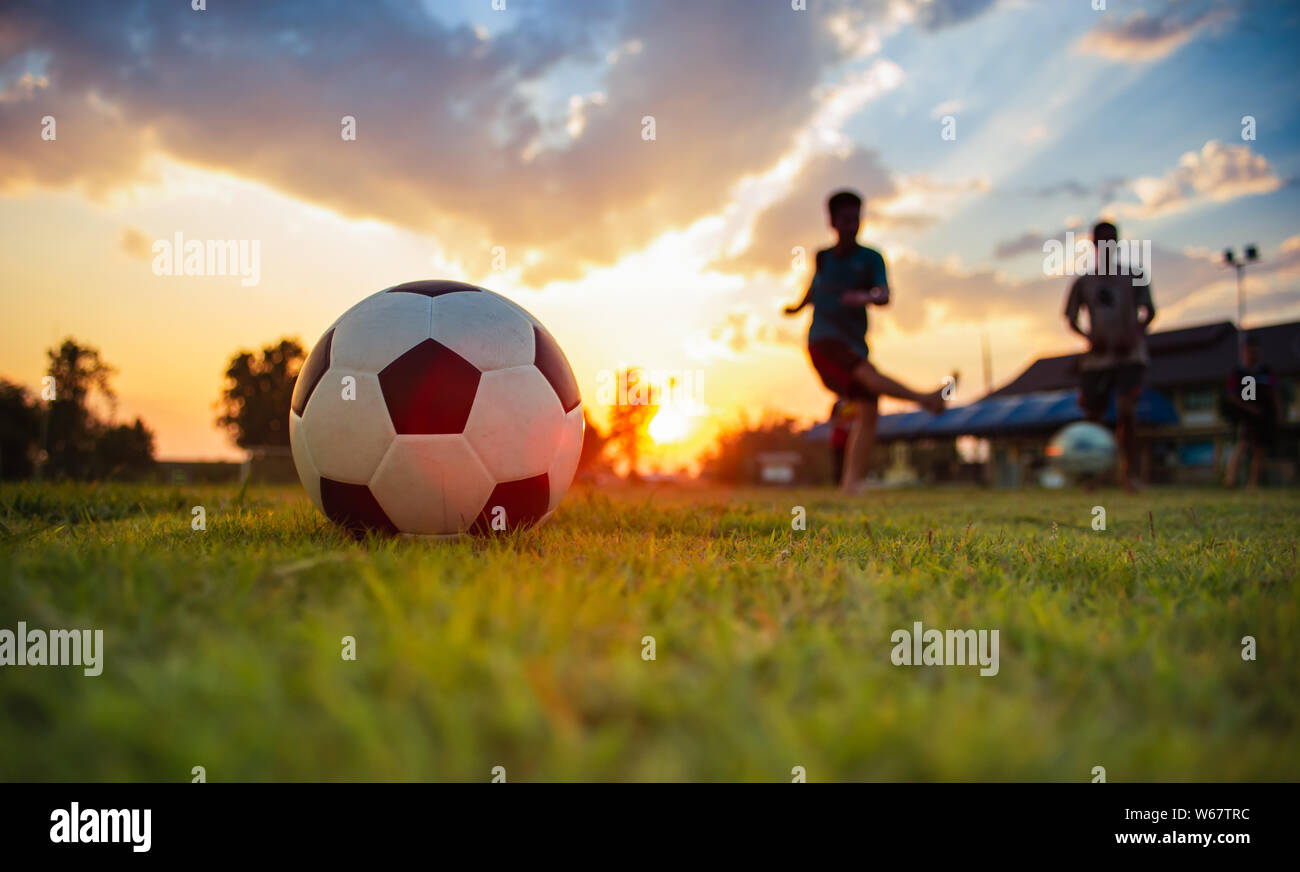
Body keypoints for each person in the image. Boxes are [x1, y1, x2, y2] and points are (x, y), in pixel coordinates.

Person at [785, 189, 949, 492]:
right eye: (844, 219)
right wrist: (796, 306)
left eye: (855, 219)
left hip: (854, 344)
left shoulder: (871, 258)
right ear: (832, 222)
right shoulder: (822, 258)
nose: (851, 225)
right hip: (824, 341)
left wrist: (865, 296)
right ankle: (927, 399)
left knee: (870, 408)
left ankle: (851, 487)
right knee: (870, 379)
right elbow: (814, 288)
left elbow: (884, 294)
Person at [1064, 220, 1155, 492]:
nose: (1106, 246)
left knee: (1127, 411)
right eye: (1100, 240)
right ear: (1092, 244)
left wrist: (1135, 332)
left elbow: (1150, 312)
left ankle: (1130, 474)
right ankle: (1092, 476)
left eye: (1110, 240)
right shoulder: (1084, 282)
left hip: (1129, 356)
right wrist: (1090, 337)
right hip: (1098, 358)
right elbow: (1070, 318)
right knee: (1093, 416)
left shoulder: (1134, 275)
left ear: (1116, 243)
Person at [1222, 333, 1282, 489]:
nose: (1253, 354)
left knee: (1259, 450)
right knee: (1242, 445)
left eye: (1255, 351)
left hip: (1264, 416)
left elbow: (1274, 393)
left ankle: (1253, 484)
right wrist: (1248, 408)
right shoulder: (1238, 373)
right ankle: (1230, 478)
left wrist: (1277, 412)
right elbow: (1231, 395)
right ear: (1244, 352)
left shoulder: (1266, 372)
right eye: (1250, 351)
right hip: (1247, 417)